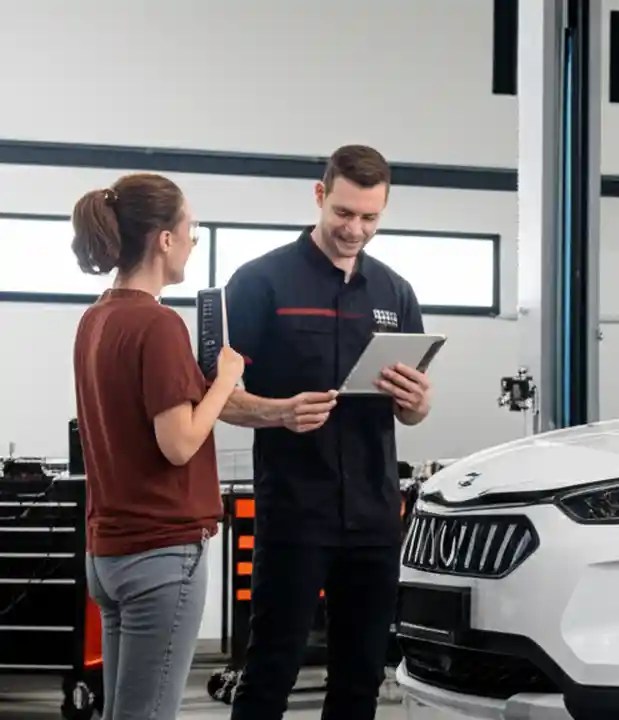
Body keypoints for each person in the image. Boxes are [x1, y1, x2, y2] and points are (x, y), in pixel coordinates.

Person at [218, 144, 432, 720]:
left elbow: (409, 411)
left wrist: (416, 405)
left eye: (370, 218)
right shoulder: (261, 283)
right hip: (295, 512)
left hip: (374, 516)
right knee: (271, 672)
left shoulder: (395, 293)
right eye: (344, 213)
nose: (355, 229)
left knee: (360, 679)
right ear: (319, 195)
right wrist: (278, 412)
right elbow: (215, 399)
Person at [70, 173, 244, 720]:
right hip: (162, 552)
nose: (194, 239)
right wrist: (224, 379)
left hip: (109, 552)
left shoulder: (95, 318)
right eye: (190, 227)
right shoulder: (159, 324)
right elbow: (179, 443)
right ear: (164, 239)